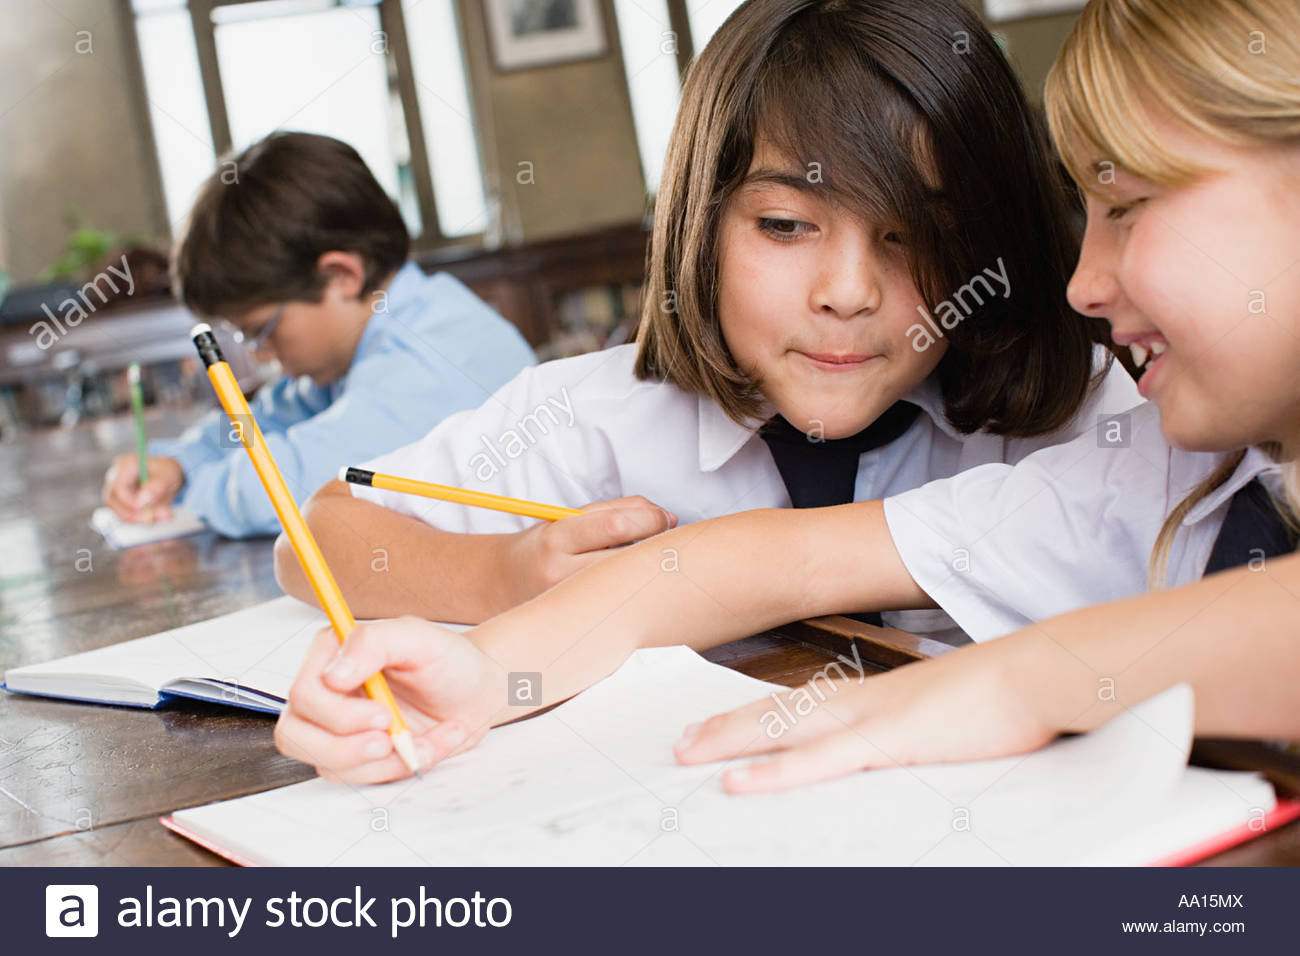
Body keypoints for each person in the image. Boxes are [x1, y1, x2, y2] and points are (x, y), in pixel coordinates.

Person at [274, 0, 1137, 629]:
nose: (847, 292)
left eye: (916, 236)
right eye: (786, 226)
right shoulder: (595, 420)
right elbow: (315, 537)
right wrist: (502, 575)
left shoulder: (1074, 414)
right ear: (701, 224)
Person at [101, 132, 536, 537]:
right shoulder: (363, 345)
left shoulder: (433, 357)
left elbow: (285, 489)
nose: (264, 356)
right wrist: (178, 462)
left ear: (341, 275)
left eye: (262, 331)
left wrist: (178, 499)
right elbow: (259, 423)